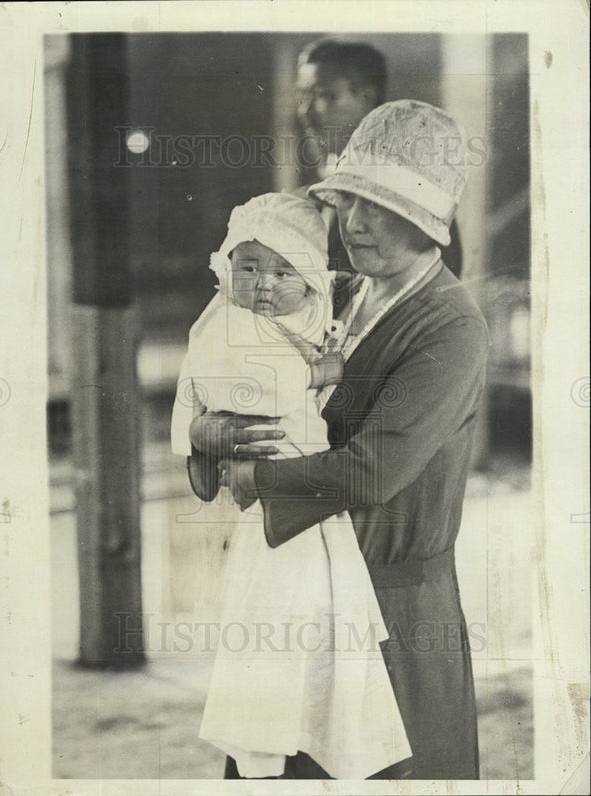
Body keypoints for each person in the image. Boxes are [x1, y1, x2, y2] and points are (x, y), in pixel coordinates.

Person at [190, 100, 488, 780]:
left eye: (378, 208)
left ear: (425, 222)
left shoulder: (449, 327)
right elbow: (225, 373)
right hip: (301, 593)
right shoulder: (337, 293)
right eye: (349, 201)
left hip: (393, 613)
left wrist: (255, 480)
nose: (353, 223)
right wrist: (206, 433)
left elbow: (376, 469)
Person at [171, 192, 411, 779]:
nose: (263, 284)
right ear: (227, 267)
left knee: (316, 624)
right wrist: (208, 429)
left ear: (311, 277)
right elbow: (235, 390)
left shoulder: (341, 304)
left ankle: (306, 736)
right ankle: (267, 738)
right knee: (278, 618)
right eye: (248, 267)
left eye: (284, 271)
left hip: (328, 502)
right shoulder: (231, 320)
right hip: (277, 494)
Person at [294, 37, 463, 279]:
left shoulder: (412, 189)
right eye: (302, 96)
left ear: (367, 97)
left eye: (325, 96)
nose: (306, 111)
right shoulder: (311, 196)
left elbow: (440, 283)